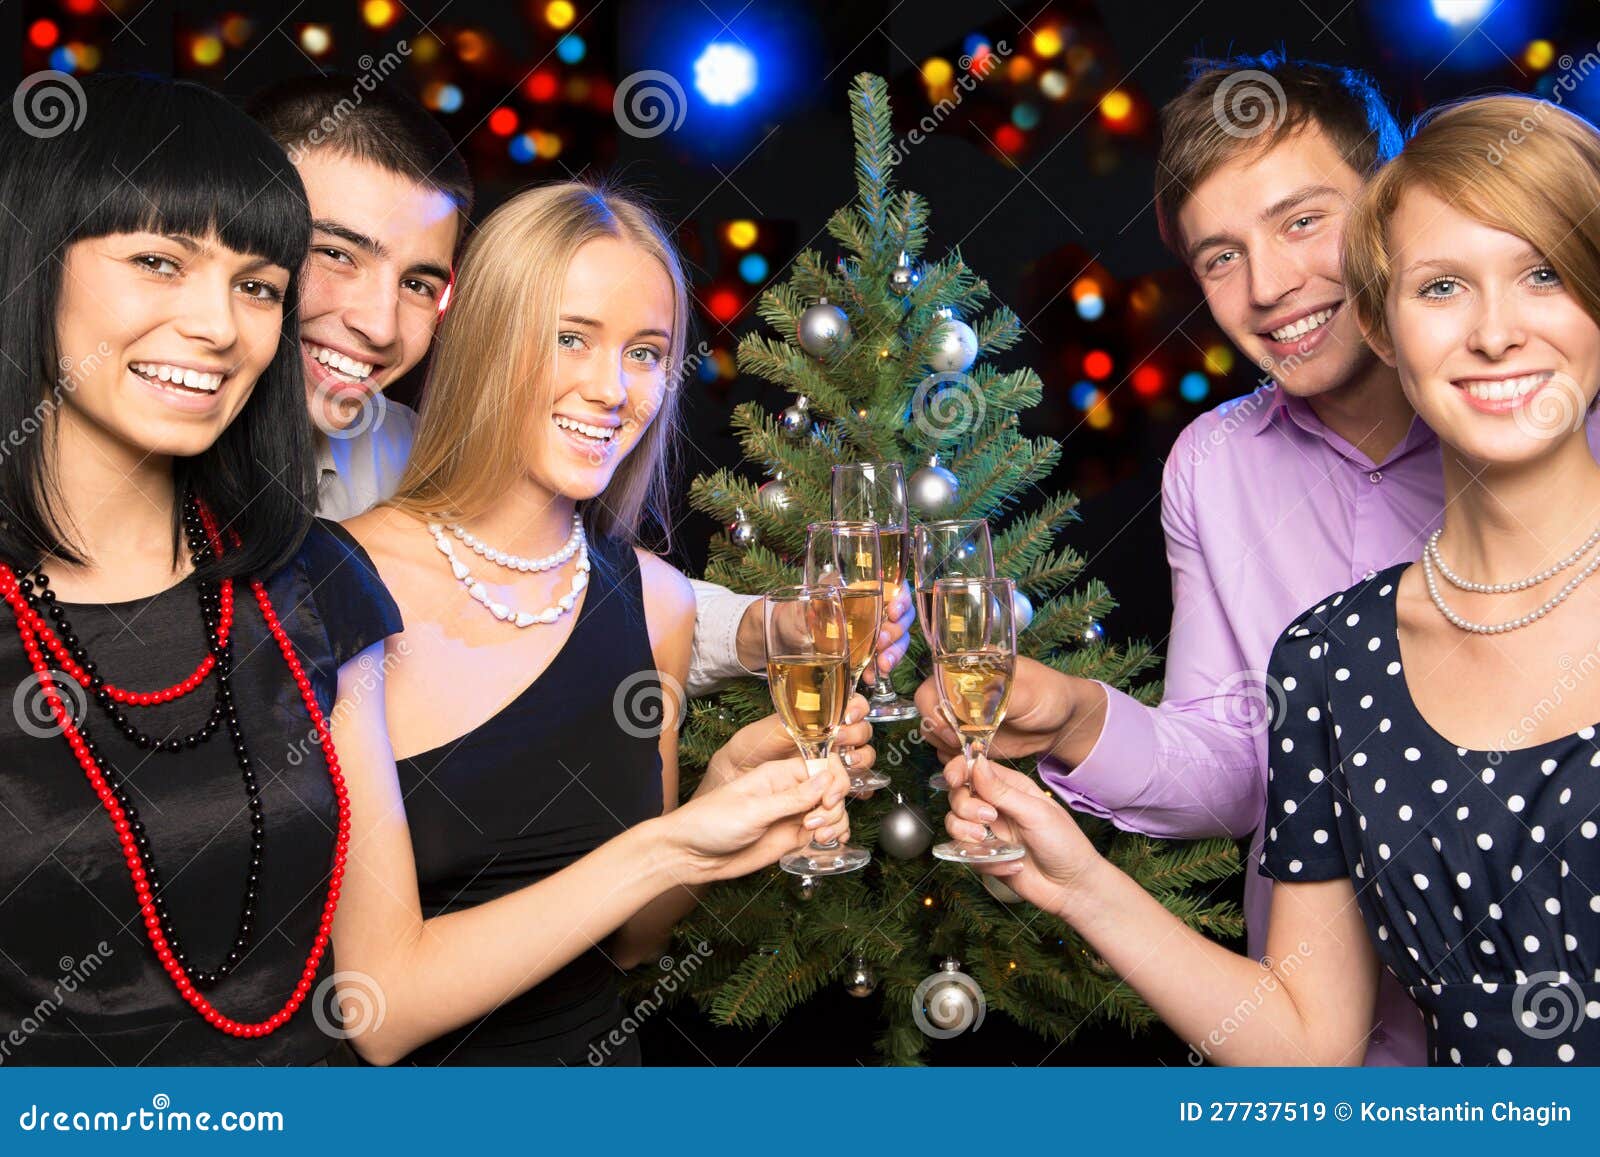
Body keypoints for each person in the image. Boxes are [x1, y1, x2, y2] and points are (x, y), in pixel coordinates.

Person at [0, 74, 851, 1067]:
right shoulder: (332, 557)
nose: (374, 321)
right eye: (333, 254)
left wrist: (755, 652)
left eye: (255, 284)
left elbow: (549, 578)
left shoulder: (317, 570)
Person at [916, 53, 1600, 1065]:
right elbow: (1246, 760)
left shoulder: (1540, 390)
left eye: (1301, 221)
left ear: (1389, 217)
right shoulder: (1252, 520)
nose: (1270, 285)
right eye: (1221, 256)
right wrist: (1077, 719)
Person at [248, 77, 913, 703]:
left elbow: (545, 595)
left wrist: (767, 630)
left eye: (419, 284)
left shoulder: (408, 452)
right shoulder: (199, 478)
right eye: (336, 254)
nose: (380, 324)